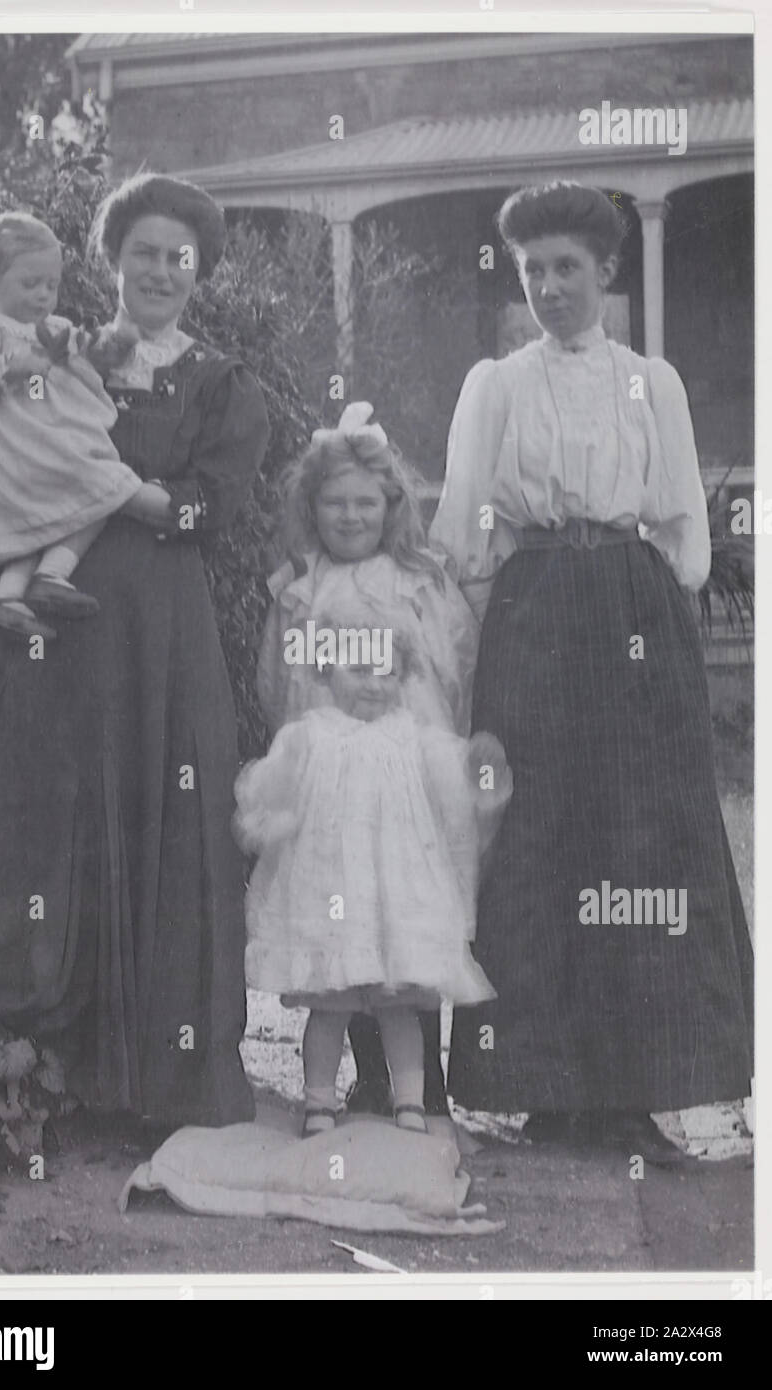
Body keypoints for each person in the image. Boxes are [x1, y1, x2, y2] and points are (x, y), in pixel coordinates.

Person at [0, 174, 270, 1129]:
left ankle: (153, 1085)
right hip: (51, 619)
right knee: (41, 815)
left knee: (161, 811)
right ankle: (37, 1063)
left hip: (161, 631)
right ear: (110, 262)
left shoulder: (219, 382)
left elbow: (210, 510)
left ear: (198, 271)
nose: (159, 271)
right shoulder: (49, 351)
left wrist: (127, 493)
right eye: (142, 254)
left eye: (178, 257)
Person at [429, 180, 753, 1163]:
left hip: (631, 614)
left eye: (566, 267)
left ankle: (636, 1088)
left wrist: (650, 592)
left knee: (636, 844)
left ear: (606, 272)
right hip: (531, 614)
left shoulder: (649, 382)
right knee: (533, 839)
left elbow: (686, 534)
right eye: (532, 270)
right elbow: (461, 529)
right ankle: (541, 1089)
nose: (548, 287)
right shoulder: (495, 385)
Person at [256, 402, 480, 1117]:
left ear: (390, 506)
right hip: (331, 781)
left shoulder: (419, 581)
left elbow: (452, 667)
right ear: (311, 507)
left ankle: (424, 1092)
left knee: (406, 917)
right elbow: (275, 683)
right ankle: (364, 1081)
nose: (350, 517)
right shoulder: (297, 588)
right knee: (343, 922)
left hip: (407, 777)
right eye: (333, 503)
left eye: (365, 502)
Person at [236, 625, 511, 1136]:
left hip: (394, 900)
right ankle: (318, 1102)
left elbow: (453, 775)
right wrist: (264, 805)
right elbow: (275, 787)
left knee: (399, 1006)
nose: (373, 684)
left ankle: (410, 1103)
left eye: (385, 671)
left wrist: (478, 770)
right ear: (326, 669)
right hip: (331, 894)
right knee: (329, 1005)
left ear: (402, 676)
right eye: (358, 669)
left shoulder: (413, 735)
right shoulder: (308, 735)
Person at [0, 211, 144, 638]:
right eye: (31, 284)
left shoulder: (54, 329)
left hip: (45, 441)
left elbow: (85, 355)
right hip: (9, 444)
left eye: (52, 285)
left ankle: (25, 589)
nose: (45, 295)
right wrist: (4, 366)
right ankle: (33, 583)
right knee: (101, 484)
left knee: (68, 503)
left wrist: (108, 349)